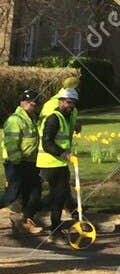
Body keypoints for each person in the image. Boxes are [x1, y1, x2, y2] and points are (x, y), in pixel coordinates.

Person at [35, 88, 80, 240]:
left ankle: (32, 211)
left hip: (60, 163)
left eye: (73, 103)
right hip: (50, 163)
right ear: (61, 101)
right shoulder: (54, 118)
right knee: (59, 195)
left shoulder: (66, 117)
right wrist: (63, 153)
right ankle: (53, 228)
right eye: (68, 102)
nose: (70, 105)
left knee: (60, 195)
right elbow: (47, 143)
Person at [2, 90, 41, 234]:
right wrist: (17, 160)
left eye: (36, 102)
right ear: (23, 102)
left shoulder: (32, 117)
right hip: (16, 163)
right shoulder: (15, 120)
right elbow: (11, 143)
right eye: (31, 102)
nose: (34, 104)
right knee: (12, 194)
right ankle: (21, 220)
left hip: (30, 162)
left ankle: (26, 220)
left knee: (34, 192)